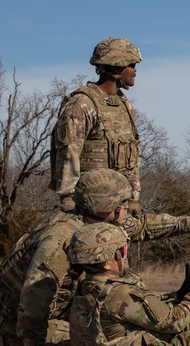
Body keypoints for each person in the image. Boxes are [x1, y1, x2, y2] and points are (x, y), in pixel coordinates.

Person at [0, 168, 190, 346]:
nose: (127, 208)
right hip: (18, 322)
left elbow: (143, 226)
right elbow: (33, 300)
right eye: (122, 203)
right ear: (105, 206)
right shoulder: (60, 241)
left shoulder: (99, 225)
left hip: (59, 311)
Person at [50, 37, 144, 214]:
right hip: (88, 208)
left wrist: (132, 199)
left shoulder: (124, 104)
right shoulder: (82, 104)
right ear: (117, 67)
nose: (135, 71)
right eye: (131, 65)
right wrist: (68, 201)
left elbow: (131, 157)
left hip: (117, 208)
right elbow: (68, 155)